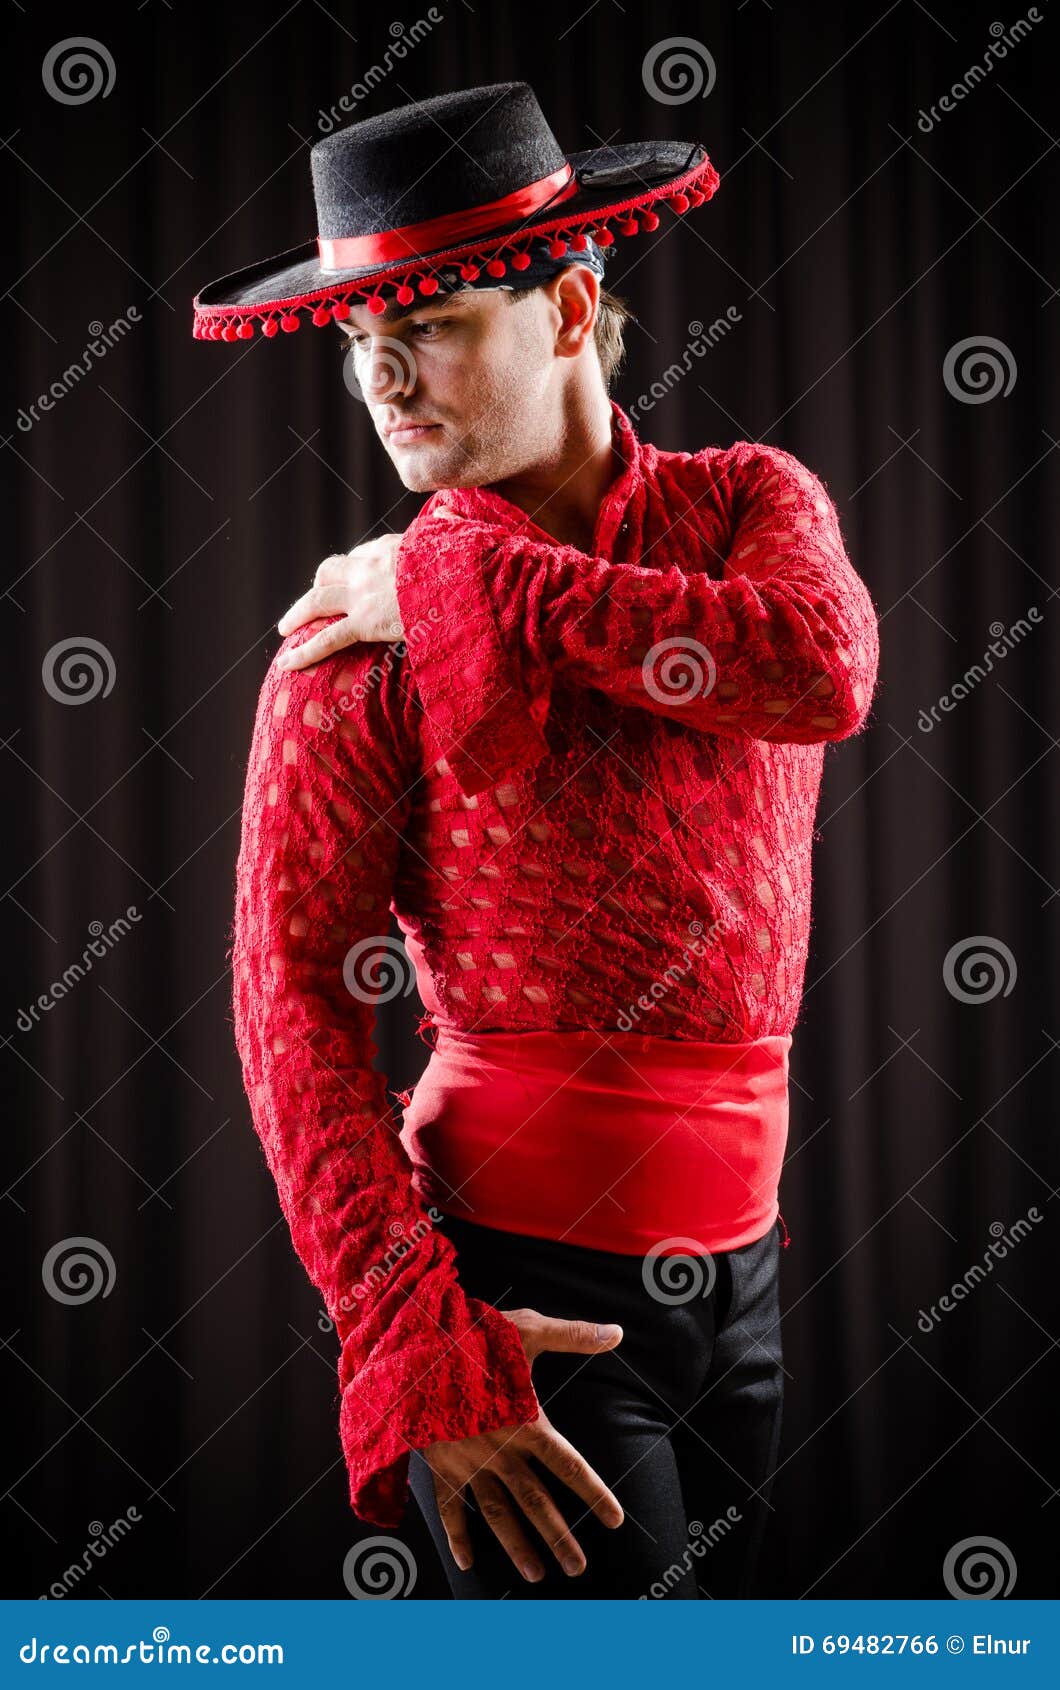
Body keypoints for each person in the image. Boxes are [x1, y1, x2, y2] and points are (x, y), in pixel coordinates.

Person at [197, 82, 880, 1599]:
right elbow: (292, 1006)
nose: (381, 375)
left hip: (747, 1282)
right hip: (516, 1288)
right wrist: (416, 1334)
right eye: (356, 339)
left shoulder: (748, 505)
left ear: (571, 307)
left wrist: (468, 592)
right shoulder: (347, 645)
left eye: (429, 320)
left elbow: (816, 671)